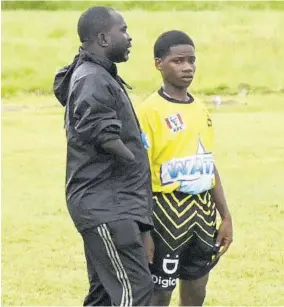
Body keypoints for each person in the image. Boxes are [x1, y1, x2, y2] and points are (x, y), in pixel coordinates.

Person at [53, 6, 154, 306]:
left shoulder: (96, 73)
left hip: (109, 202)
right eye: (123, 30)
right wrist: (133, 158)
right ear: (103, 38)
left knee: (104, 295)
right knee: (135, 291)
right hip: (107, 205)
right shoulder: (92, 77)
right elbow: (99, 129)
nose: (130, 37)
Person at [137, 30, 233, 306]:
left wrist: (225, 215)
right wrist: (144, 231)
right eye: (178, 61)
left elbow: (207, 165)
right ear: (158, 64)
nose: (188, 67)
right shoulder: (149, 111)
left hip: (202, 213)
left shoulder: (201, 109)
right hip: (165, 213)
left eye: (191, 60)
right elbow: (139, 175)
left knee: (197, 289)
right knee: (160, 293)